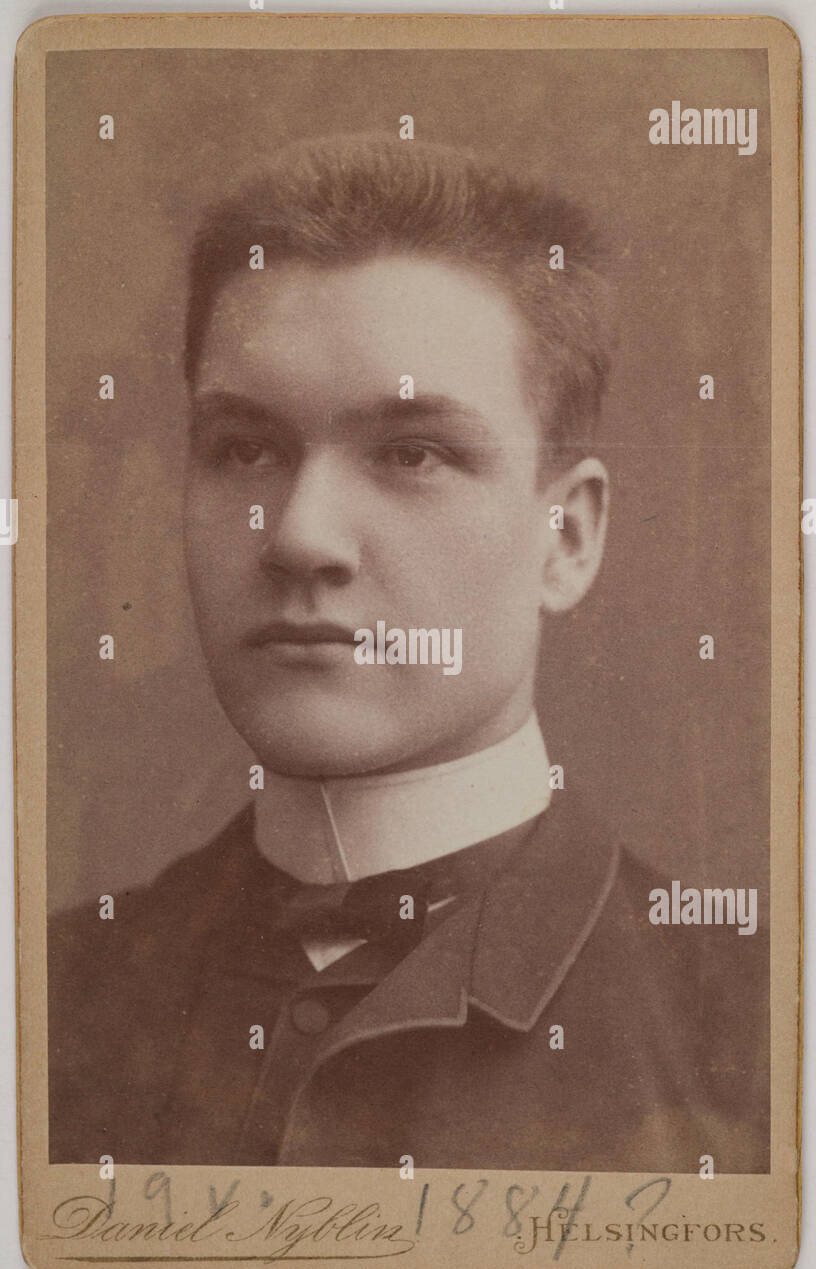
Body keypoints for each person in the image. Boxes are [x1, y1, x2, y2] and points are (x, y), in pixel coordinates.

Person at [49, 133, 767, 1171]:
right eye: (245, 448)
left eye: (412, 453)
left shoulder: (760, 1040)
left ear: (565, 538)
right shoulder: (42, 1000)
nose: (299, 535)